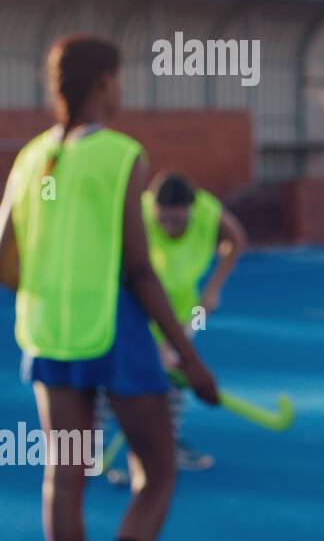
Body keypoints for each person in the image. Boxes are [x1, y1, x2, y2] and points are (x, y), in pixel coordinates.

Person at [0, 35, 219, 541]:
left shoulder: (31, 158)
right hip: (115, 333)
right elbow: (140, 272)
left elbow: (3, 257)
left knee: (64, 475)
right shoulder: (121, 155)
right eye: (119, 78)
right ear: (104, 81)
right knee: (159, 474)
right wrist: (190, 361)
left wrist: (49, 289)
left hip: (51, 335)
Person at [103, 172, 247, 477]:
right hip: (136, 309)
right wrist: (153, 345)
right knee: (119, 378)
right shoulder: (136, 215)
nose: (169, 225)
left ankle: (169, 444)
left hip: (189, 309)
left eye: (177, 219)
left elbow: (237, 240)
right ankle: (86, 447)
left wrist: (213, 288)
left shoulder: (207, 211)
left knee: (177, 376)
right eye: (163, 218)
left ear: (190, 210)